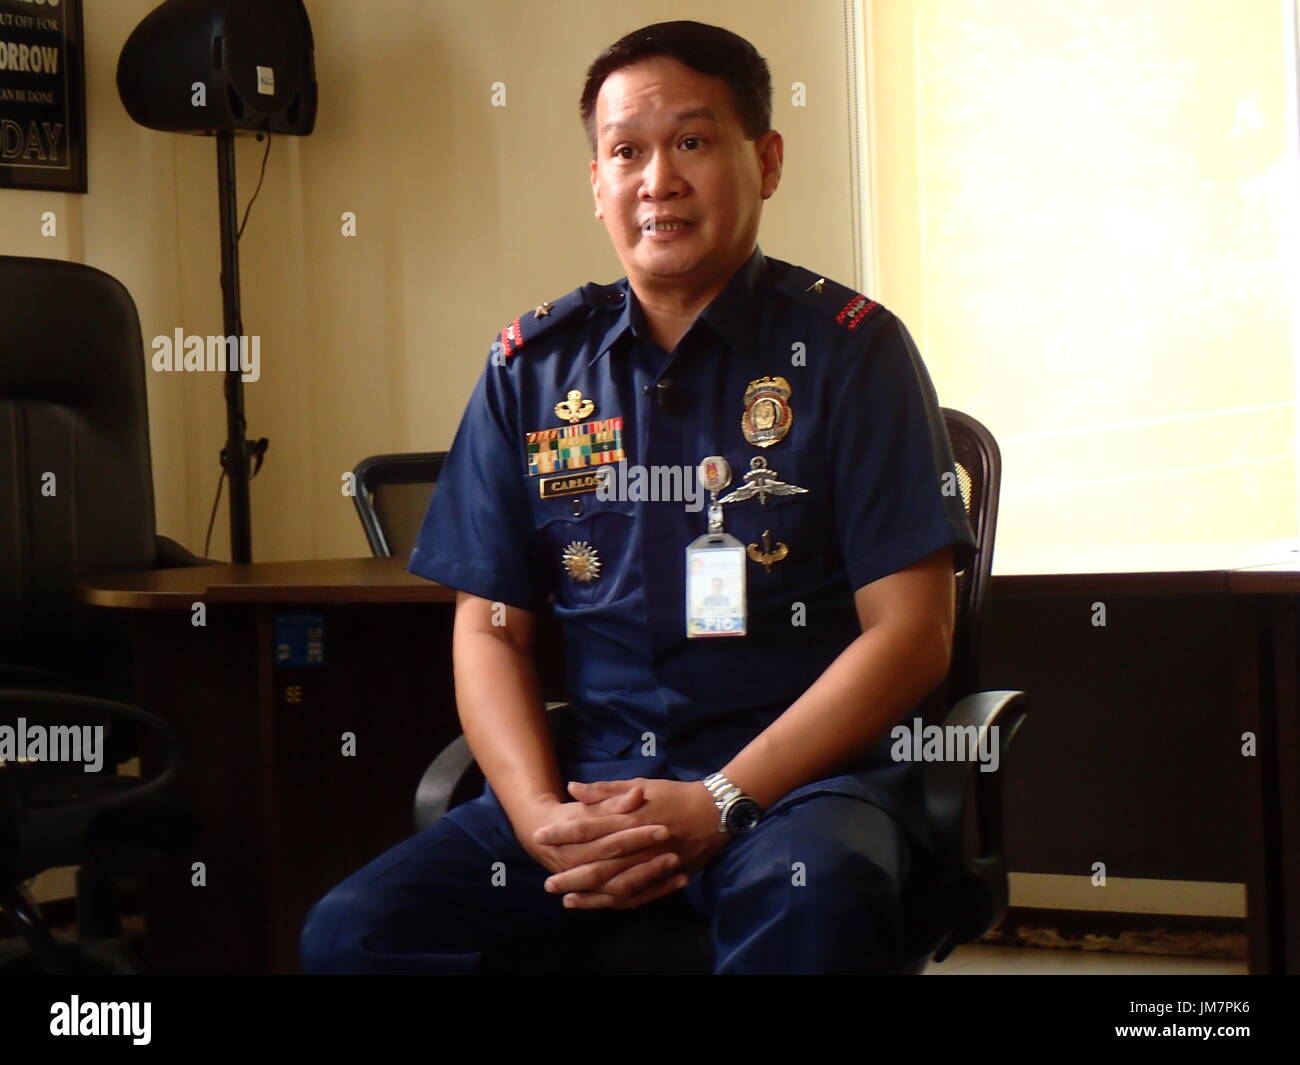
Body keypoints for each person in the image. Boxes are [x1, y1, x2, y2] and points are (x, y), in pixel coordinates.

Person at [300, 19, 976, 975]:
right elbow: (490, 628)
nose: (658, 179)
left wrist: (722, 800)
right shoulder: (530, 373)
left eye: (693, 142)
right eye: (626, 152)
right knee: (355, 931)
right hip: (594, 786)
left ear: (767, 159)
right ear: (597, 184)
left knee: (816, 895)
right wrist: (538, 814)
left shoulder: (850, 354)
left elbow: (911, 633)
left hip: (798, 790)